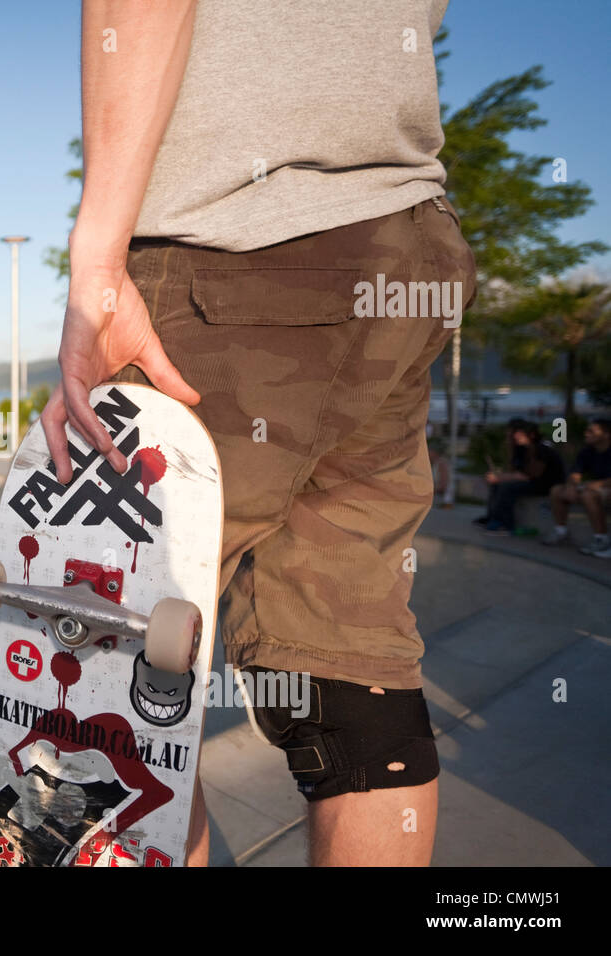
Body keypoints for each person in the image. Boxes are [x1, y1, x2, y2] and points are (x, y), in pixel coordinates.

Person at [37, 0, 479, 866]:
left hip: (237, 254)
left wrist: (97, 263)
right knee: (347, 667)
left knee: (89, 659)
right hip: (403, 250)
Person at [474, 419, 565, 535]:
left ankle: (506, 524)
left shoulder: (541, 448)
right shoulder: (522, 448)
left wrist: (500, 477)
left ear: (531, 435)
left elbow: (530, 475)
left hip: (547, 484)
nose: (515, 436)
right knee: (497, 484)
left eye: (520, 433)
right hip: (533, 481)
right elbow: (516, 471)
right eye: (515, 433)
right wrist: (499, 475)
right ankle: (493, 518)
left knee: (506, 487)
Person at [542, 418, 611, 556]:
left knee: (588, 495)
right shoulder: (587, 451)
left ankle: (601, 539)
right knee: (557, 491)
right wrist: (571, 486)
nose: (586, 434)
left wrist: (596, 484)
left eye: (591, 431)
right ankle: (561, 532)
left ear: (606, 434)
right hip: (596, 488)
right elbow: (575, 474)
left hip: (603, 488)